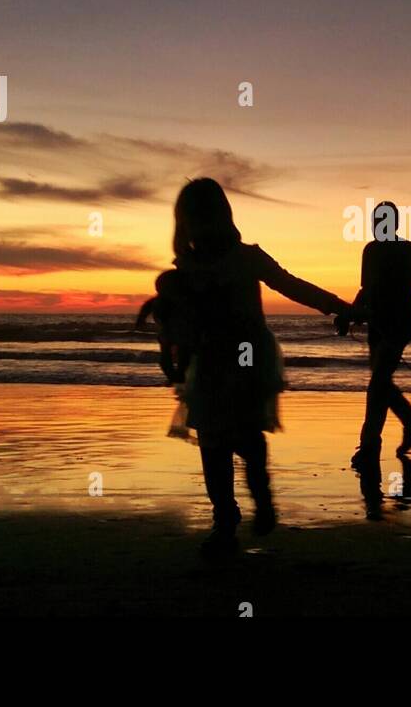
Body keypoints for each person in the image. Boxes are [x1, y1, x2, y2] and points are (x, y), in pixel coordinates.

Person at [155, 178, 351, 558]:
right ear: (184, 226)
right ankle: (224, 522)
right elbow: (176, 321)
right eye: (193, 221)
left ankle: (261, 501)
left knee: (246, 438)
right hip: (208, 363)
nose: (200, 228)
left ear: (223, 218)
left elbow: (292, 286)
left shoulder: (248, 258)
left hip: (248, 360)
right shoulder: (184, 271)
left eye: (206, 219)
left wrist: (339, 306)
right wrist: (171, 357)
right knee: (212, 445)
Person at [347, 201, 411, 467]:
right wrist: (350, 314)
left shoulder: (409, 250)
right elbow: (366, 289)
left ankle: (369, 447)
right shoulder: (370, 251)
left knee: (378, 383)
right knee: (381, 381)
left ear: (395, 224)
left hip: (401, 321)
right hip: (376, 322)